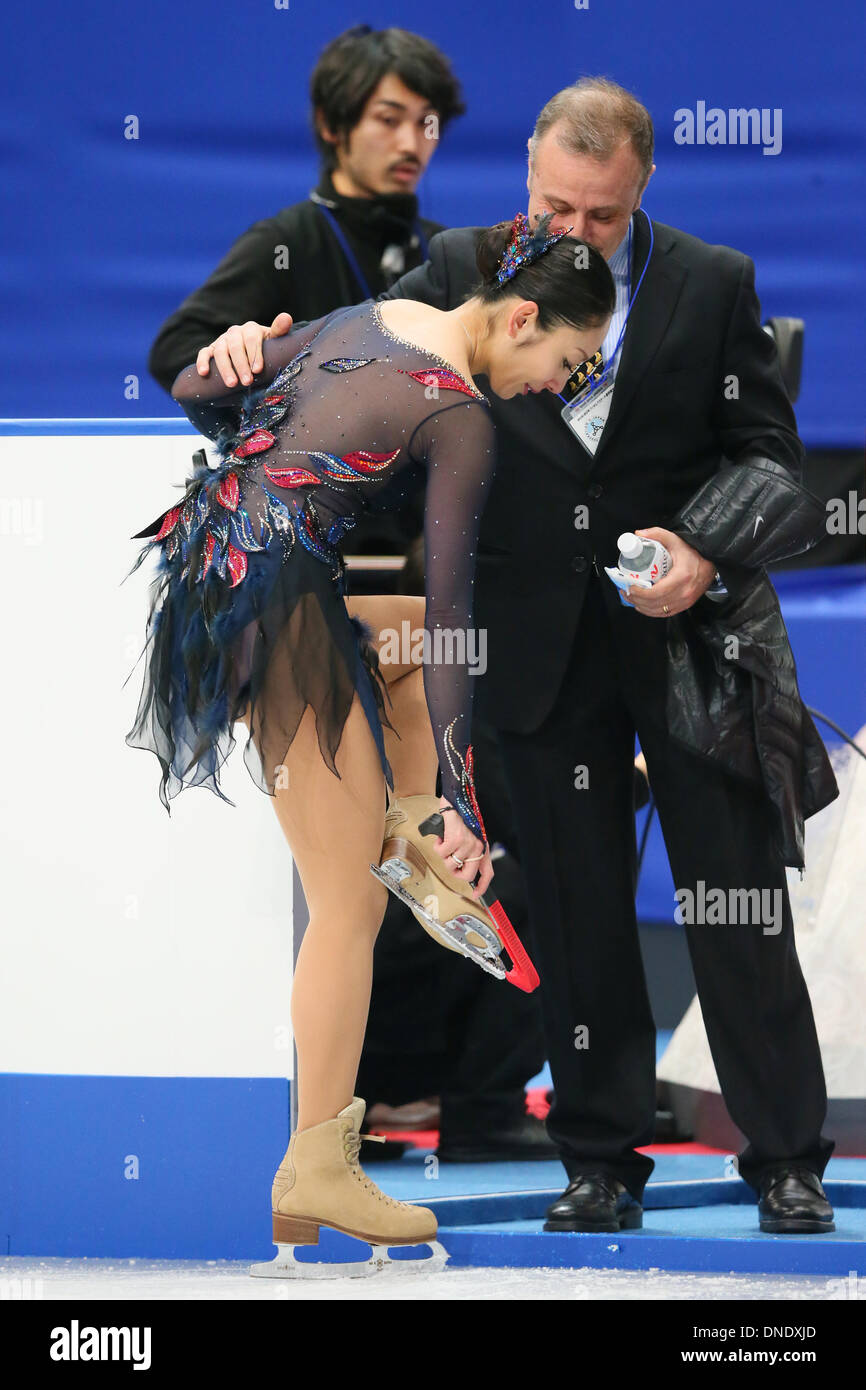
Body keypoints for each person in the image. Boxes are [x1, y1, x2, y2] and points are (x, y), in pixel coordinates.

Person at [201, 76, 839, 1237]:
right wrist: (246, 351)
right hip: (532, 649)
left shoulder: (709, 284)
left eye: (599, 215)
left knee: (735, 906)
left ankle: (785, 1155)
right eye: (553, 205)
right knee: (572, 910)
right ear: (527, 178)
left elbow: (773, 465)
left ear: (642, 190)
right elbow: (347, 369)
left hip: (689, 643)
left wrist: (698, 547)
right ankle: (595, 1155)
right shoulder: (453, 266)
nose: (571, 233)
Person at [124, 214, 614, 1267]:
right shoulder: (459, 415)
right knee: (343, 905)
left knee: (380, 641)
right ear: (520, 315)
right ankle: (316, 1162)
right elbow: (449, 616)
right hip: (278, 610)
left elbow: (203, 399)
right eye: (562, 362)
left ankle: (400, 822)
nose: (553, 384)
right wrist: (464, 798)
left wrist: (233, 350)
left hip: (217, 581)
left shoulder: (375, 315)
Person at [148, 24, 465, 394]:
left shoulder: (442, 248)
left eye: (426, 122)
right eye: (388, 120)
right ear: (330, 124)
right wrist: (255, 364)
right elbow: (173, 351)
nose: (412, 144)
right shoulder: (286, 242)